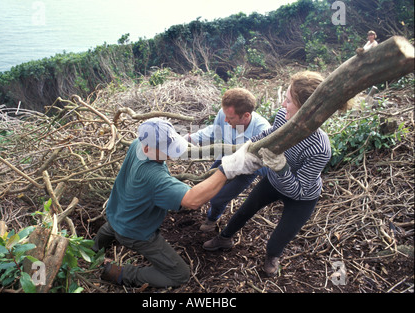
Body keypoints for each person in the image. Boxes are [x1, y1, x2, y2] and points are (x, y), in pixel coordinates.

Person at [203, 71, 352, 277]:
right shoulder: (284, 116)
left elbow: (298, 189)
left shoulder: (320, 147)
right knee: (244, 211)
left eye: (288, 100)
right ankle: (225, 238)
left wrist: (282, 168)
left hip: (302, 196)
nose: (283, 104)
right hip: (274, 180)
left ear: (306, 108)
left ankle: (273, 256)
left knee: (278, 240)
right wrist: (249, 147)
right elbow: (269, 135)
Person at [92, 118, 259, 288]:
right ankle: (118, 273)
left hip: (117, 210)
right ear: (149, 148)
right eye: (166, 149)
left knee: (112, 226)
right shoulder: (153, 177)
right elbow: (193, 201)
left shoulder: (139, 143)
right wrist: (227, 169)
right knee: (179, 275)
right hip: (134, 231)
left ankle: (93, 249)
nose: (172, 153)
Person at [184, 88, 271, 232]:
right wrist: (189, 139)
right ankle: (189, 203)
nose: (225, 120)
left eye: (230, 118)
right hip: (227, 157)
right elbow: (213, 131)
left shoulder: (262, 130)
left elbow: (266, 164)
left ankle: (211, 220)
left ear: (246, 116)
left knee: (218, 199)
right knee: (203, 183)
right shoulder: (224, 114)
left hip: (247, 169)